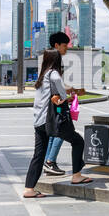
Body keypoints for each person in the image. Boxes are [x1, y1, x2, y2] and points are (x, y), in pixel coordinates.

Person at [23, 48, 90, 197]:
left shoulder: (42, 76)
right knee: (78, 141)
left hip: (39, 121)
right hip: (52, 122)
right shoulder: (54, 75)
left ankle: (29, 189)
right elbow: (61, 98)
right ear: (57, 60)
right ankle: (77, 175)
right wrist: (71, 97)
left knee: (39, 154)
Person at [41, 31, 77, 175]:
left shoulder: (48, 60)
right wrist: (66, 94)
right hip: (56, 103)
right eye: (64, 46)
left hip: (52, 103)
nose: (66, 49)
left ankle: (48, 162)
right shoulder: (55, 62)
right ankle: (50, 161)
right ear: (56, 45)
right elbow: (56, 83)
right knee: (61, 132)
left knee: (53, 133)